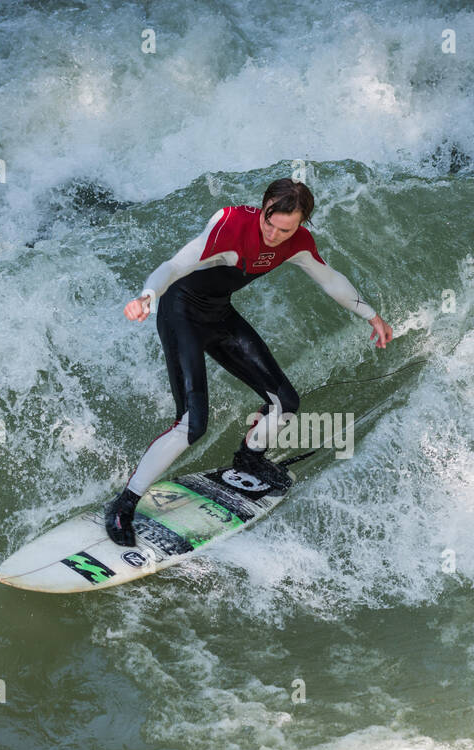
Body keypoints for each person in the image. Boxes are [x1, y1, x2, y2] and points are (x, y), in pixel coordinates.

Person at [104, 178, 393, 546]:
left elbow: (331, 280)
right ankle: (124, 504)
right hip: (179, 314)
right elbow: (173, 266)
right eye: (269, 223)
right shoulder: (229, 225)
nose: (274, 234)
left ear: (300, 224)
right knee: (193, 424)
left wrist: (372, 317)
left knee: (285, 402)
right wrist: (147, 296)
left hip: (219, 315)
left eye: (284, 229)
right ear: (264, 207)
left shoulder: (298, 244)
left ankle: (250, 457)